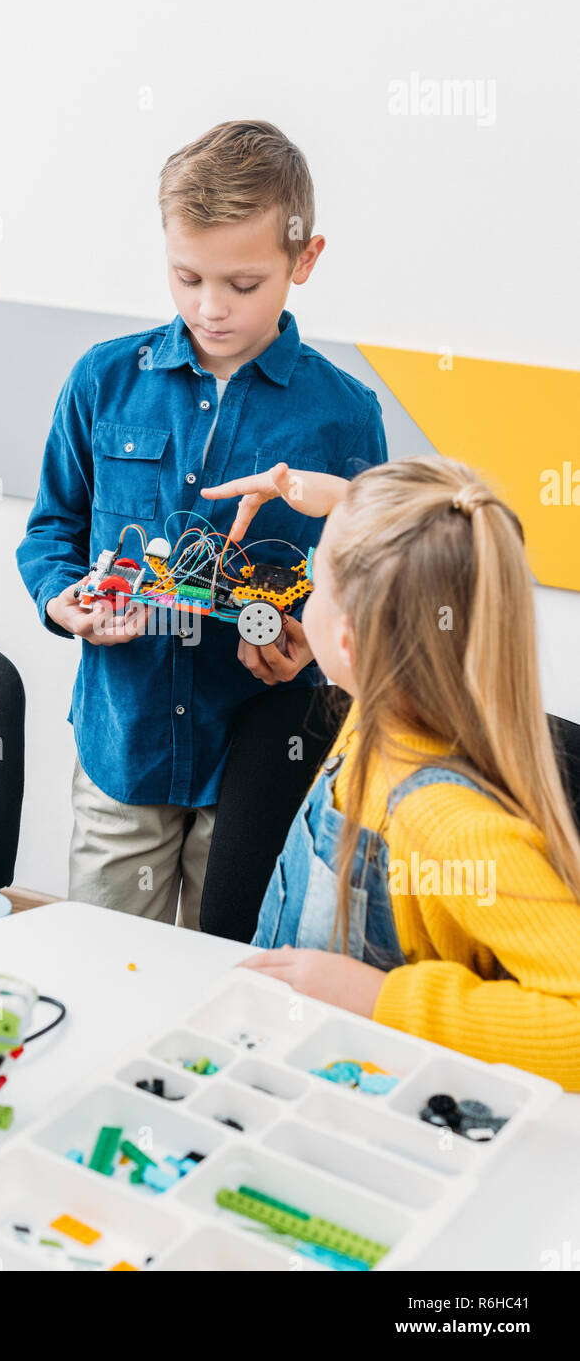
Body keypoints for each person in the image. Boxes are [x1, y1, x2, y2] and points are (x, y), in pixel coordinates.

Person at [17, 120, 386, 927]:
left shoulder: (345, 416)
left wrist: (308, 653)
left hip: (255, 762)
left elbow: (367, 591)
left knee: (225, 968)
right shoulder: (102, 381)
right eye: (186, 278)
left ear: (304, 260)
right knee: (105, 956)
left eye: (243, 285)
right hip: (125, 745)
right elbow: (50, 529)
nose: (209, 308)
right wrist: (60, 600)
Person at [205, 455, 580, 1089]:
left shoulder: (443, 818)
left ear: (348, 642)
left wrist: (384, 1002)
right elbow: (429, 558)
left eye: (316, 585)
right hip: (303, 1064)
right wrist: (321, 495)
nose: (307, 597)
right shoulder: (378, 709)